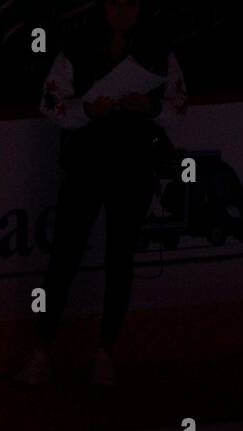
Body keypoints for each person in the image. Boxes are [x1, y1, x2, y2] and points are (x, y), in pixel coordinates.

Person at [15, 0, 186, 388]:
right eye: (114, 4)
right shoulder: (76, 46)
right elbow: (50, 102)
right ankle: (41, 349)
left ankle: (105, 350)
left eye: (130, 4)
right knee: (64, 258)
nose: (122, 12)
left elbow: (179, 103)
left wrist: (150, 105)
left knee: (120, 259)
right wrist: (86, 111)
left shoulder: (158, 49)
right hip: (87, 165)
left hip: (134, 167)